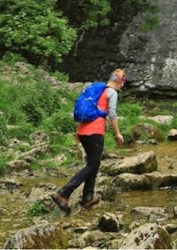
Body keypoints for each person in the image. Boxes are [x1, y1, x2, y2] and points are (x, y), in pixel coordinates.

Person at [52, 68, 126, 214]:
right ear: (119, 81)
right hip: (95, 132)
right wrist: (118, 133)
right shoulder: (111, 93)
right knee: (93, 165)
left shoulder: (98, 91)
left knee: (93, 163)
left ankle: (88, 197)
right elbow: (112, 114)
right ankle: (64, 193)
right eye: (123, 82)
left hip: (83, 132)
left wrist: (77, 132)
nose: (123, 85)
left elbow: (87, 111)